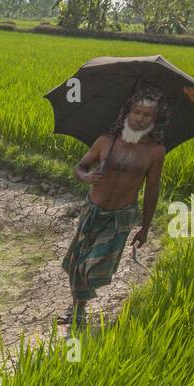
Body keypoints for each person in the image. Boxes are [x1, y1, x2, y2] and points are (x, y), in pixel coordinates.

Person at [59, 86, 167, 327]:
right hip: (93, 210)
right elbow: (79, 167)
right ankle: (78, 309)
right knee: (79, 262)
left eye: (147, 115)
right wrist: (86, 177)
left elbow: (151, 190)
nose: (140, 118)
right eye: (136, 112)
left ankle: (79, 303)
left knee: (91, 265)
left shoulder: (155, 152)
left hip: (121, 217)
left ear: (155, 119)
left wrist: (145, 228)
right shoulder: (106, 142)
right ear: (127, 113)